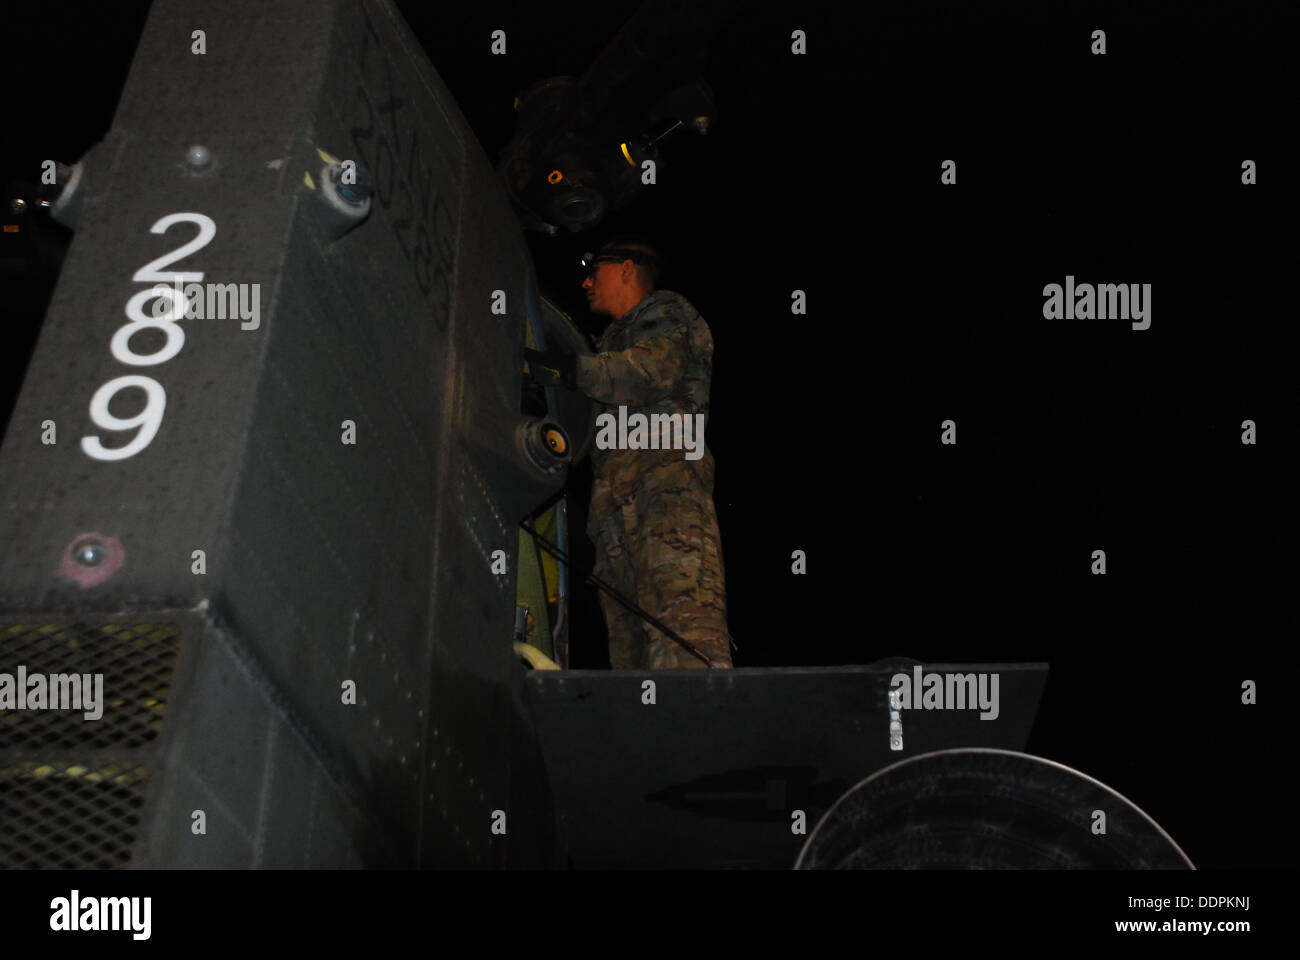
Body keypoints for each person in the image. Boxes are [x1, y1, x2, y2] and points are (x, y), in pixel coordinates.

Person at [525, 238, 732, 669]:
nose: (585, 281)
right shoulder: (609, 344)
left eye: (593, 269)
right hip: (615, 510)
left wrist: (567, 369)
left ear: (625, 268)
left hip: (665, 489)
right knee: (630, 656)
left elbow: (645, 374)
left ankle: (701, 722)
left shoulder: (666, 313)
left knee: (683, 629)